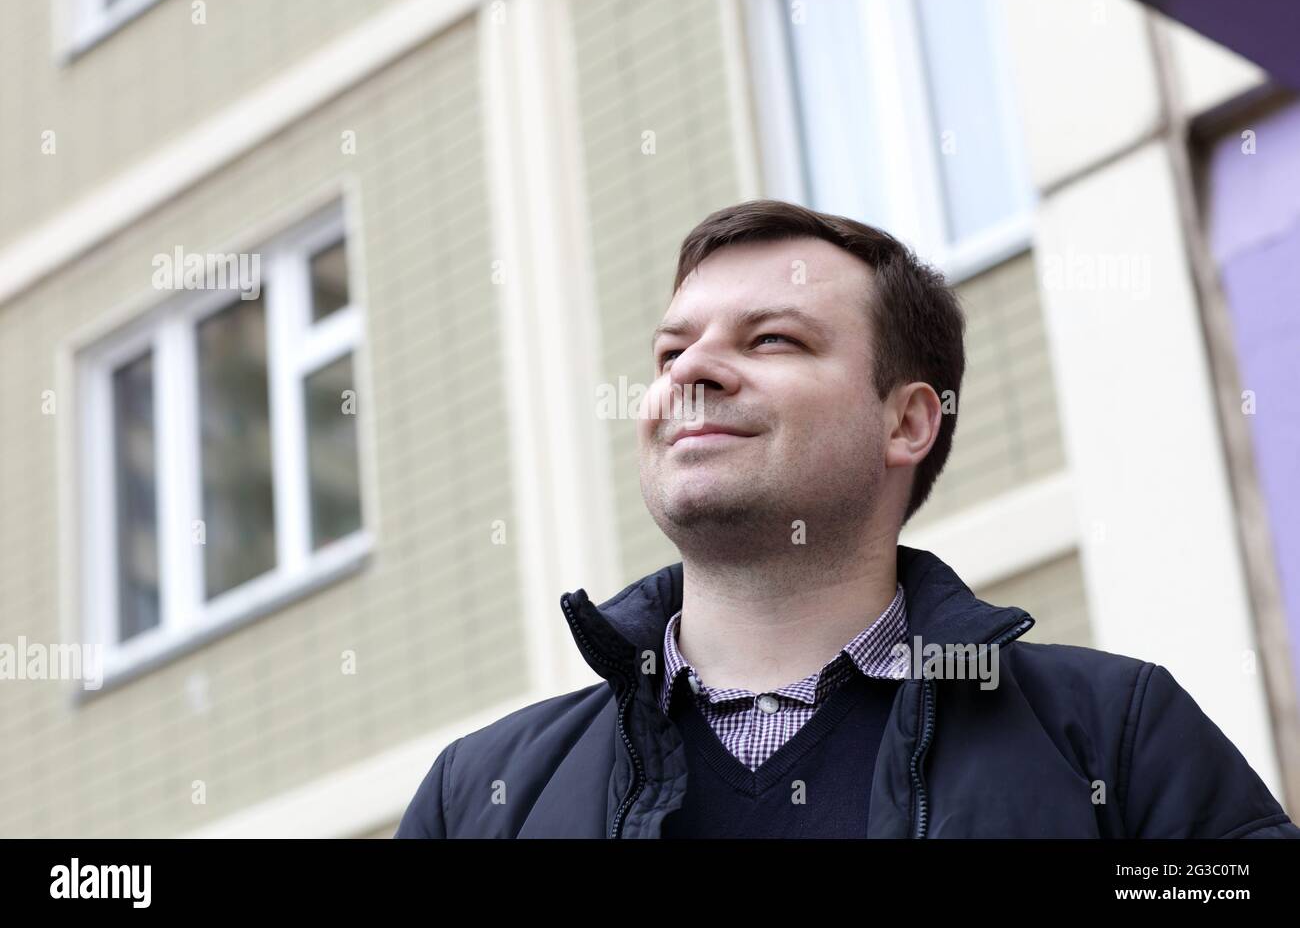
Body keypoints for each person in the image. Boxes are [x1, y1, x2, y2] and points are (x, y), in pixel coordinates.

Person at [395, 199, 1300, 838]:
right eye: (673, 349)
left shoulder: (1119, 739)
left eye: (772, 339)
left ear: (906, 421)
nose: (689, 374)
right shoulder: (476, 800)